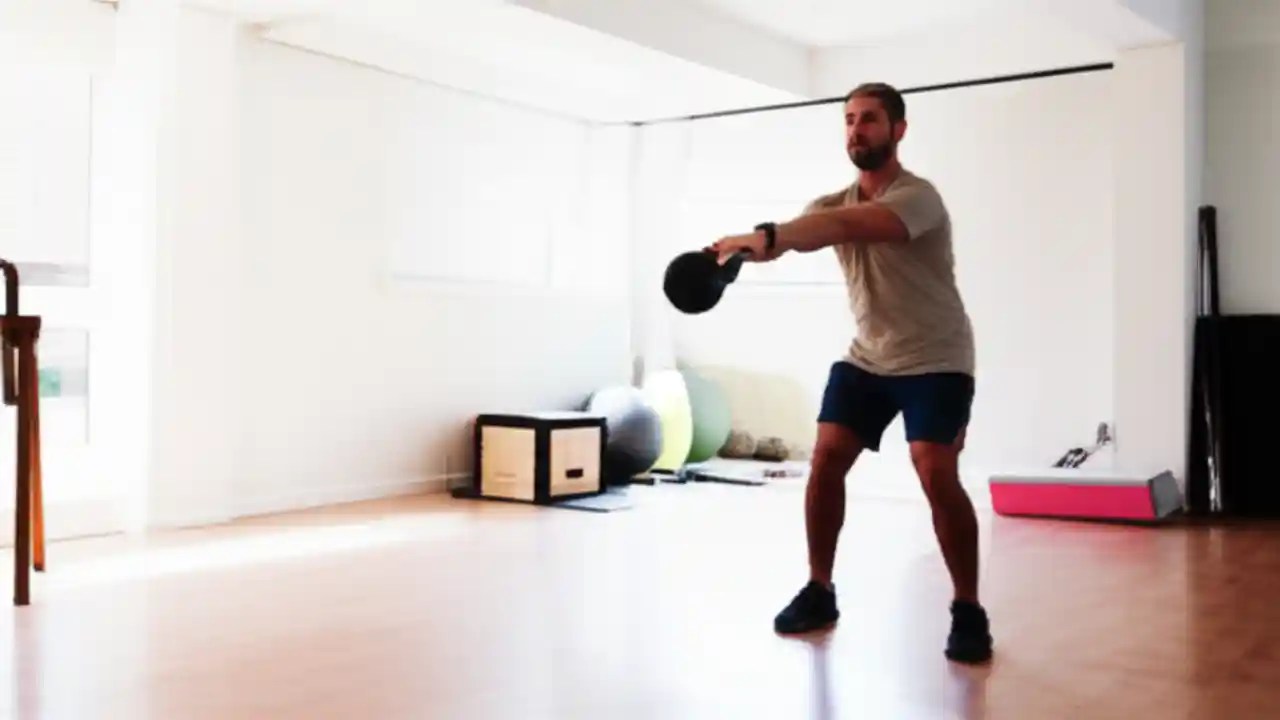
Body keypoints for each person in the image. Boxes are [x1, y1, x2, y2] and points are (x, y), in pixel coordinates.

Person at [708, 82, 993, 664]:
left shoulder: (919, 197)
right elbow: (800, 236)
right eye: (849, 121)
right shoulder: (828, 205)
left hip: (937, 355)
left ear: (898, 130)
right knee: (826, 458)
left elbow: (843, 228)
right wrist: (738, 254)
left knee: (935, 470)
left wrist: (770, 236)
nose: (856, 130)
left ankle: (968, 607)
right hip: (869, 355)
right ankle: (820, 589)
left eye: (868, 120)